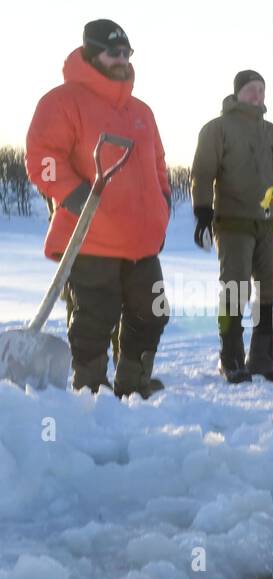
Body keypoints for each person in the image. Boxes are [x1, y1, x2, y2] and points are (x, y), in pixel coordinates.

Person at [25, 18, 171, 397]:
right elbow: (43, 158)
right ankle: (90, 389)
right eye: (113, 52)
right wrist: (77, 198)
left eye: (126, 52)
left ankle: (133, 383)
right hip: (90, 237)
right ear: (92, 53)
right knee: (94, 319)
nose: (122, 59)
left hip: (141, 240)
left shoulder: (142, 111)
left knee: (152, 312)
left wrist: (164, 203)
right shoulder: (62, 101)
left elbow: (159, 165)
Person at [192, 69, 273, 383]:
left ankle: (262, 359)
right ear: (238, 92)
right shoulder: (217, 129)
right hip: (232, 223)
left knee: (270, 291)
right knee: (234, 289)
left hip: (269, 225)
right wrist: (203, 213)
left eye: (261, 90)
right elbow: (202, 174)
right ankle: (231, 358)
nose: (257, 95)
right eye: (251, 89)